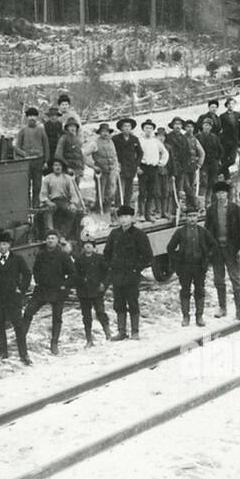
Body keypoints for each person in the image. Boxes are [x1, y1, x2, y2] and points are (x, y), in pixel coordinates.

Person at [0, 231, 32, 364]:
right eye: (0, 244)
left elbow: (27, 274)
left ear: (9, 245)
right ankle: (3, 352)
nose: (2, 247)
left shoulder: (17, 259)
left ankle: (23, 354)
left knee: (18, 326)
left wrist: (20, 289)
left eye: (5, 244)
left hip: (12, 298)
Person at [103, 205, 153, 339]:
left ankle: (135, 331)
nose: (123, 220)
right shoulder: (114, 234)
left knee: (132, 302)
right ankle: (121, 331)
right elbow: (107, 253)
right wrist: (111, 267)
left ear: (132, 218)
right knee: (119, 303)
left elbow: (147, 256)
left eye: (126, 217)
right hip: (117, 275)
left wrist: (136, 269)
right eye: (121, 217)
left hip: (131, 275)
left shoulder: (139, 235)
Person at [23, 230, 76, 355]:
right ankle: (21, 339)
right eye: (48, 238)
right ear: (46, 241)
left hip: (57, 291)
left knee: (57, 318)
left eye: (53, 238)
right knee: (28, 312)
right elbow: (35, 270)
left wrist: (65, 286)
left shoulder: (63, 255)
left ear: (57, 240)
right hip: (42, 290)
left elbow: (73, 274)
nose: (50, 240)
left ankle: (54, 343)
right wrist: (38, 281)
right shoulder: (41, 255)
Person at [166, 210, 217, 327]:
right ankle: (185, 317)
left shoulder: (203, 232)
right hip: (185, 267)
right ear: (185, 218)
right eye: (189, 216)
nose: (192, 219)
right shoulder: (180, 232)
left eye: (194, 216)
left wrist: (207, 257)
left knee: (199, 290)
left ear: (198, 217)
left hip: (199, 266)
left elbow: (213, 245)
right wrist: (178, 260)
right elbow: (170, 248)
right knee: (185, 291)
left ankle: (199, 316)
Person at [206, 180, 240, 319]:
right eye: (218, 193)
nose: (221, 195)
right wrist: (209, 249)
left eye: (223, 192)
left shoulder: (235, 208)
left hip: (232, 249)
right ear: (216, 195)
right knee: (219, 280)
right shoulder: (211, 209)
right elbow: (208, 230)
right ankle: (222, 308)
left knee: (236, 279)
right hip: (217, 250)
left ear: (227, 194)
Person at [72, 238, 112, 344]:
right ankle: (89, 340)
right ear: (83, 247)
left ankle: (108, 334)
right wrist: (80, 282)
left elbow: (108, 273)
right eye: (85, 245)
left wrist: (104, 284)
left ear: (94, 247)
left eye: (90, 245)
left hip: (97, 291)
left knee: (100, 312)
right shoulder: (79, 260)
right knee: (86, 316)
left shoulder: (99, 258)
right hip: (83, 292)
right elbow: (75, 275)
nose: (88, 246)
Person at [41, 157, 84, 243]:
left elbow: (74, 194)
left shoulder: (68, 178)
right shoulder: (47, 179)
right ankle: (51, 234)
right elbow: (43, 195)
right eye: (55, 165)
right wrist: (48, 202)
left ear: (62, 167)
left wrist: (73, 204)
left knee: (72, 211)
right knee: (47, 212)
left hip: (64, 201)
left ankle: (63, 235)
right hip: (52, 202)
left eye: (59, 165)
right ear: (52, 167)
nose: (57, 167)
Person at [13, 107, 50, 208]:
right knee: (26, 186)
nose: (32, 118)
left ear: (37, 118)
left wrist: (46, 161)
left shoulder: (41, 130)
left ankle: (36, 206)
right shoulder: (23, 131)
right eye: (29, 116)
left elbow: (46, 146)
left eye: (34, 116)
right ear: (26, 117)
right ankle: (26, 206)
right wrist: (24, 155)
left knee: (37, 186)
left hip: (38, 162)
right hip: (26, 163)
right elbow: (16, 147)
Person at [86, 124, 121, 217]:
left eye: (107, 131)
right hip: (101, 172)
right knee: (101, 193)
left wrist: (116, 166)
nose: (105, 133)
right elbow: (84, 155)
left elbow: (115, 156)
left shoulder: (111, 142)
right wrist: (93, 166)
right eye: (103, 131)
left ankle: (107, 212)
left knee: (110, 192)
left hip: (112, 171)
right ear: (100, 133)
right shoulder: (94, 143)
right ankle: (99, 213)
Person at [113, 117, 144, 212]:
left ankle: (126, 209)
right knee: (119, 190)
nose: (127, 128)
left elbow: (140, 153)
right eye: (125, 126)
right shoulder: (115, 139)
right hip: (120, 167)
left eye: (129, 126)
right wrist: (116, 163)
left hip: (131, 168)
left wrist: (136, 164)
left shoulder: (134, 139)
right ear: (121, 128)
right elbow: (112, 152)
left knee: (129, 190)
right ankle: (119, 210)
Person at [137, 119, 164, 220]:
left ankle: (148, 214)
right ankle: (141, 214)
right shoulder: (139, 140)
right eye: (146, 128)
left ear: (153, 130)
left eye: (150, 128)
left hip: (153, 168)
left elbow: (165, 153)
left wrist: (161, 163)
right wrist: (137, 167)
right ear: (143, 129)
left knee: (151, 192)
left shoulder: (156, 141)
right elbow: (135, 155)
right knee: (142, 192)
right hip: (143, 168)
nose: (148, 130)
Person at [165, 118, 191, 216]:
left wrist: (185, 165)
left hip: (182, 168)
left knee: (180, 189)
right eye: (175, 124)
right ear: (172, 126)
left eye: (179, 124)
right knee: (171, 189)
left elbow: (187, 153)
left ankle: (179, 208)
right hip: (172, 167)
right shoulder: (169, 137)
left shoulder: (184, 138)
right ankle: (170, 209)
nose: (178, 126)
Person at [197, 118, 224, 208]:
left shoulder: (214, 137)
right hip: (203, 163)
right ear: (202, 126)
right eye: (205, 125)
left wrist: (217, 159)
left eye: (209, 125)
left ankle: (208, 202)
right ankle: (201, 203)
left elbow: (220, 150)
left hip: (213, 163)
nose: (207, 127)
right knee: (203, 182)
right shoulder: (197, 136)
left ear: (211, 127)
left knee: (212, 182)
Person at [182, 120, 204, 212]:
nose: (190, 129)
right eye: (187, 127)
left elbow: (202, 153)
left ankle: (189, 207)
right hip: (183, 167)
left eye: (191, 127)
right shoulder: (182, 138)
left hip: (192, 166)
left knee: (191, 186)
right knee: (186, 186)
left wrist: (199, 164)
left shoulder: (195, 139)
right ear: (185, 128)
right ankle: (196, 205)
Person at [55, 116, 86, 180]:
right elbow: (58, 155)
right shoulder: (63, 138)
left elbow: (81, 155)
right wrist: (66, 167)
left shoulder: (78, 139)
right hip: (68, 170)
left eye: (74, 126)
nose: (73, 128)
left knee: (76, 188)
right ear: (67, 128)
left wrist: (82, 168)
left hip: (77, 169)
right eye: (70, 126)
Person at [218, 100, 240, 178]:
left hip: (235, 141)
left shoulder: (238, 115)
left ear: (234, 105)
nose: (230, 105)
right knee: (224, 159)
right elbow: (219, 128)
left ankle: (217, 171)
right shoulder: (222, 116)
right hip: (225, 141)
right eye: (229, 104)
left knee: (232, 160)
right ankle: (227, 178)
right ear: (226, 106)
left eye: (232, 104)